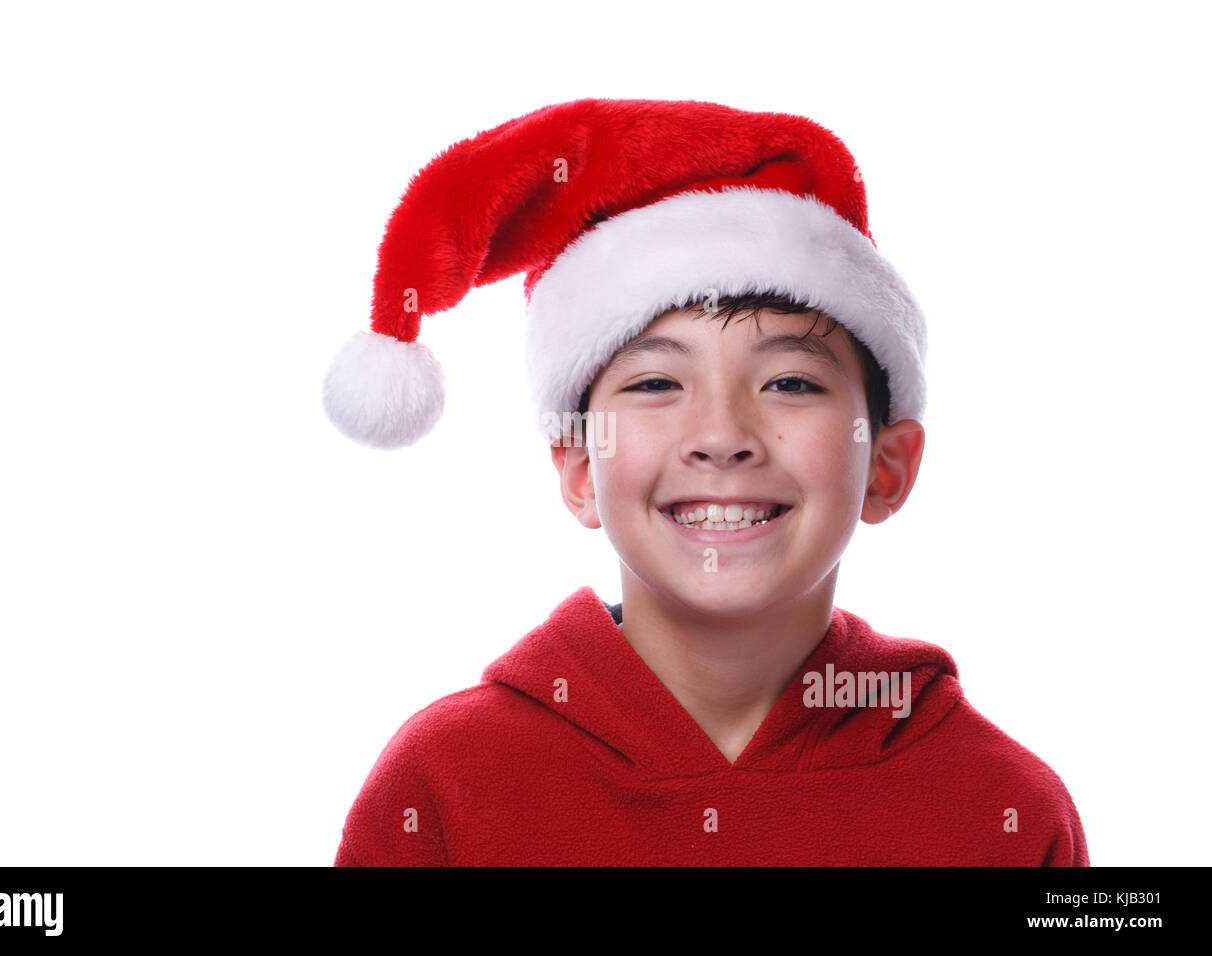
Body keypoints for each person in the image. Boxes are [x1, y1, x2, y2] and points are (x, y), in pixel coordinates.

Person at [320, 98, 1089, 866]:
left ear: (887, 467)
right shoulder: (443, 784)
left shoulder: (1004, 808)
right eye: (657, 384)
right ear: (580, 468)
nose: (722, 437)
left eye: (790, 383)